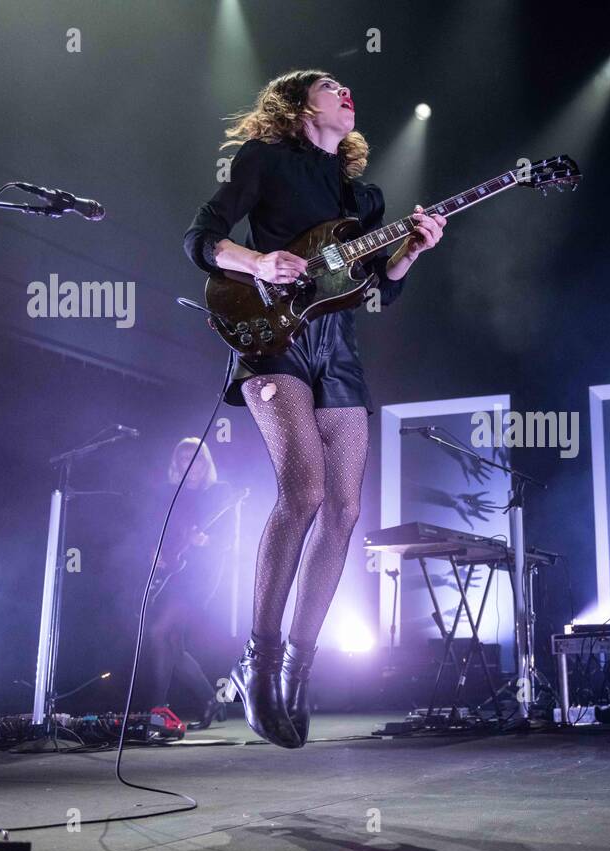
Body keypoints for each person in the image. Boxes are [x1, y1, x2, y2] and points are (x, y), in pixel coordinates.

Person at [182, 69, 445, 747]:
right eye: (331, 86)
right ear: (301, 107)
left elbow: (375, 288)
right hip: (272, 340)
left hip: (338, 350)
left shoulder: (364, 195)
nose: (347, 91)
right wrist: (258, 263)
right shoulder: (264, 161)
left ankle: (300, 663)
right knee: (302, 494)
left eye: (348, 87)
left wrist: (410, 251)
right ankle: (258, 659)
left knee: (347, 510)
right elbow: (202, 238)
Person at [144, 438, 235, 730]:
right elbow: (162, 532)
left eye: (197, 459)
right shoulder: (172, 495)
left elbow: (229, 539)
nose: (192, 465)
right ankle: (211, 700)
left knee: (159, 633)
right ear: (177, 464)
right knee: (174, 643)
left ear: (206, 463)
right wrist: (156, 552)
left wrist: (206, 541)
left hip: (201, 575)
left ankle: (157, 710)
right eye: (185, 460)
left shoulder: (220, 492)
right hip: (175, 572)